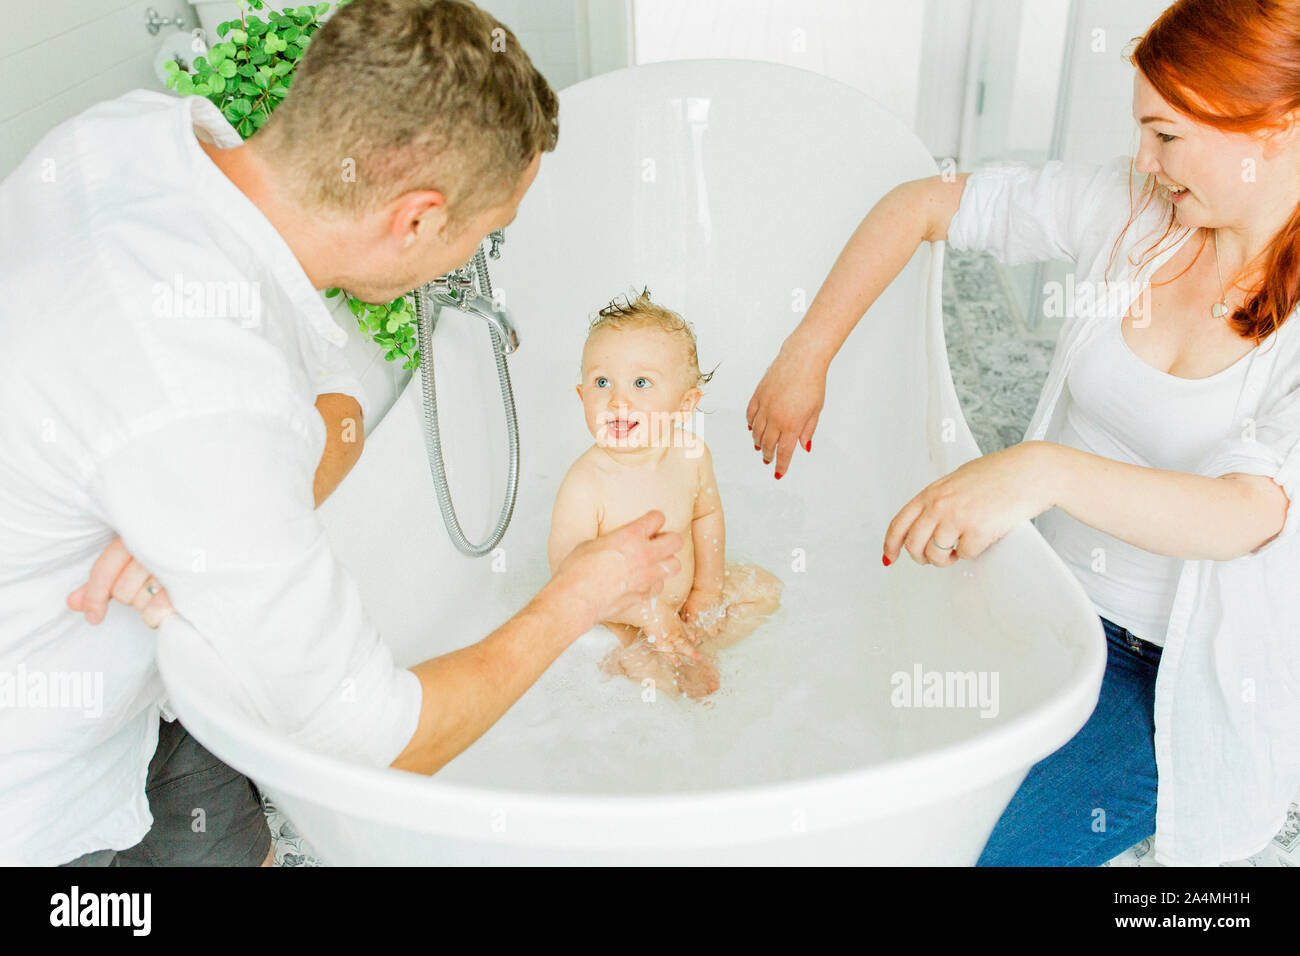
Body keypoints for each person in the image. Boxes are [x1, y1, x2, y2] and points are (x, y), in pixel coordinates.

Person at [0, 0, 680, 867]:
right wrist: (583, 592)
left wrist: (197, 523)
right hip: (37, 792)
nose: (474, 256)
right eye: (483, 234)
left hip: (148, 700)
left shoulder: (138, 143)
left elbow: (332, 404)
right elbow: (378, 743)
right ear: (419, 220)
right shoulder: (201, 397)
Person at [746, 0, 1300, 866]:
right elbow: (924, 203)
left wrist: (1043, 470)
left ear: (1275, 127)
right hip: (1035, 596)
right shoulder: (1137, 213)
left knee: (971, 852)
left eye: (1166, 135)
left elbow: (1248, 514)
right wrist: (805, 353)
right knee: (822, 741)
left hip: (1160, 679)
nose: (1144, 160)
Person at [547, 290, 783, 700]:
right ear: (583, 396)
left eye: (641, 383)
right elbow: (569, 581)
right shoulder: (586, 483)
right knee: (663, 688)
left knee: (766, 591)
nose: (618, 400)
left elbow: (706, 515)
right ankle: (636, 661)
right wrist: (645, 615)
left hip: (678, 602)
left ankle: (685, 643)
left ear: (683, 404)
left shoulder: (691, 456)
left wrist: (705, 590)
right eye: (602, 382)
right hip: (617, 618)